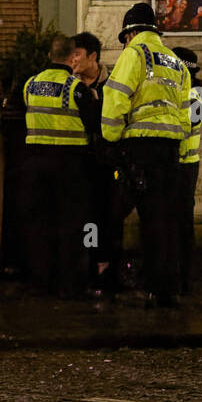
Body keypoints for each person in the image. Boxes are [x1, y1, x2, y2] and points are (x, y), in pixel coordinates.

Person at [101, 2, 191, 307]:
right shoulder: (175, 61)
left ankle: (138, 282)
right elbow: (185, 112)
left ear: (131, 32)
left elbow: (116, 97)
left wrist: (111, 138)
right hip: (170, 149)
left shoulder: (136, 54)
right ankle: (169, 285)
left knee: (137, 216)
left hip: (141, 147)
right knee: (166, 218)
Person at [21, 34, 99, 299]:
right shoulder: (76, 88)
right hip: (70, 165)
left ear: (49, 55)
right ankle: (70, 285)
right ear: (72, 57)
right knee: (71, 225)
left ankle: (40, 282)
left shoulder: (30, 84)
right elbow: (94, 125)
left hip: (33, 163)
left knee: (39, 223)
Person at [70, 31, 122, 295]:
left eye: (77, 54)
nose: (73, 60)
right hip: (79, 162)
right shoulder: (70, 84)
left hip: (107, 162)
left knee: (107, 216)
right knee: (86, 217)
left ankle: (106, 268)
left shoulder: (112, 84)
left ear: (93, 57)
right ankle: (89, 268)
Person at [173, 47, 202, 294]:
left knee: (181, 224)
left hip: (183, 167)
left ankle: (183, 277)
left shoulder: (195, 94)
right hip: (175, 165)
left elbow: (190, 120)